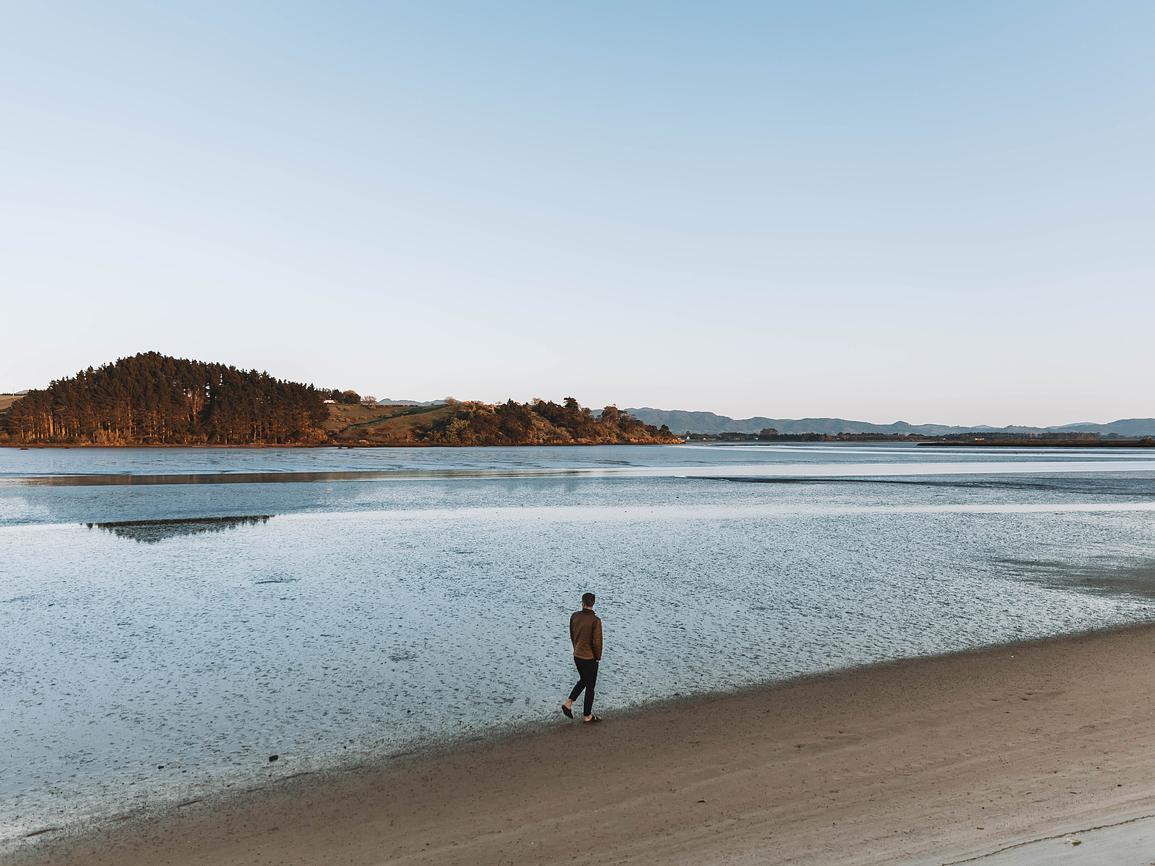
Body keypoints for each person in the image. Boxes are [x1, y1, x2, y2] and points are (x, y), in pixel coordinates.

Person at [562, 591, 602, 723]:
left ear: (582, 603)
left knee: (584, 681)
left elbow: (572, 635)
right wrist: (598, 657)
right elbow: (597, 642)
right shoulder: (595, 621)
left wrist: (576, 648)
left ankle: (569, 703)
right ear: (593, 603)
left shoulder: (574, 616)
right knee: (590, 685)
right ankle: (587, 715)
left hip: (577, 655)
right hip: (589, 658)